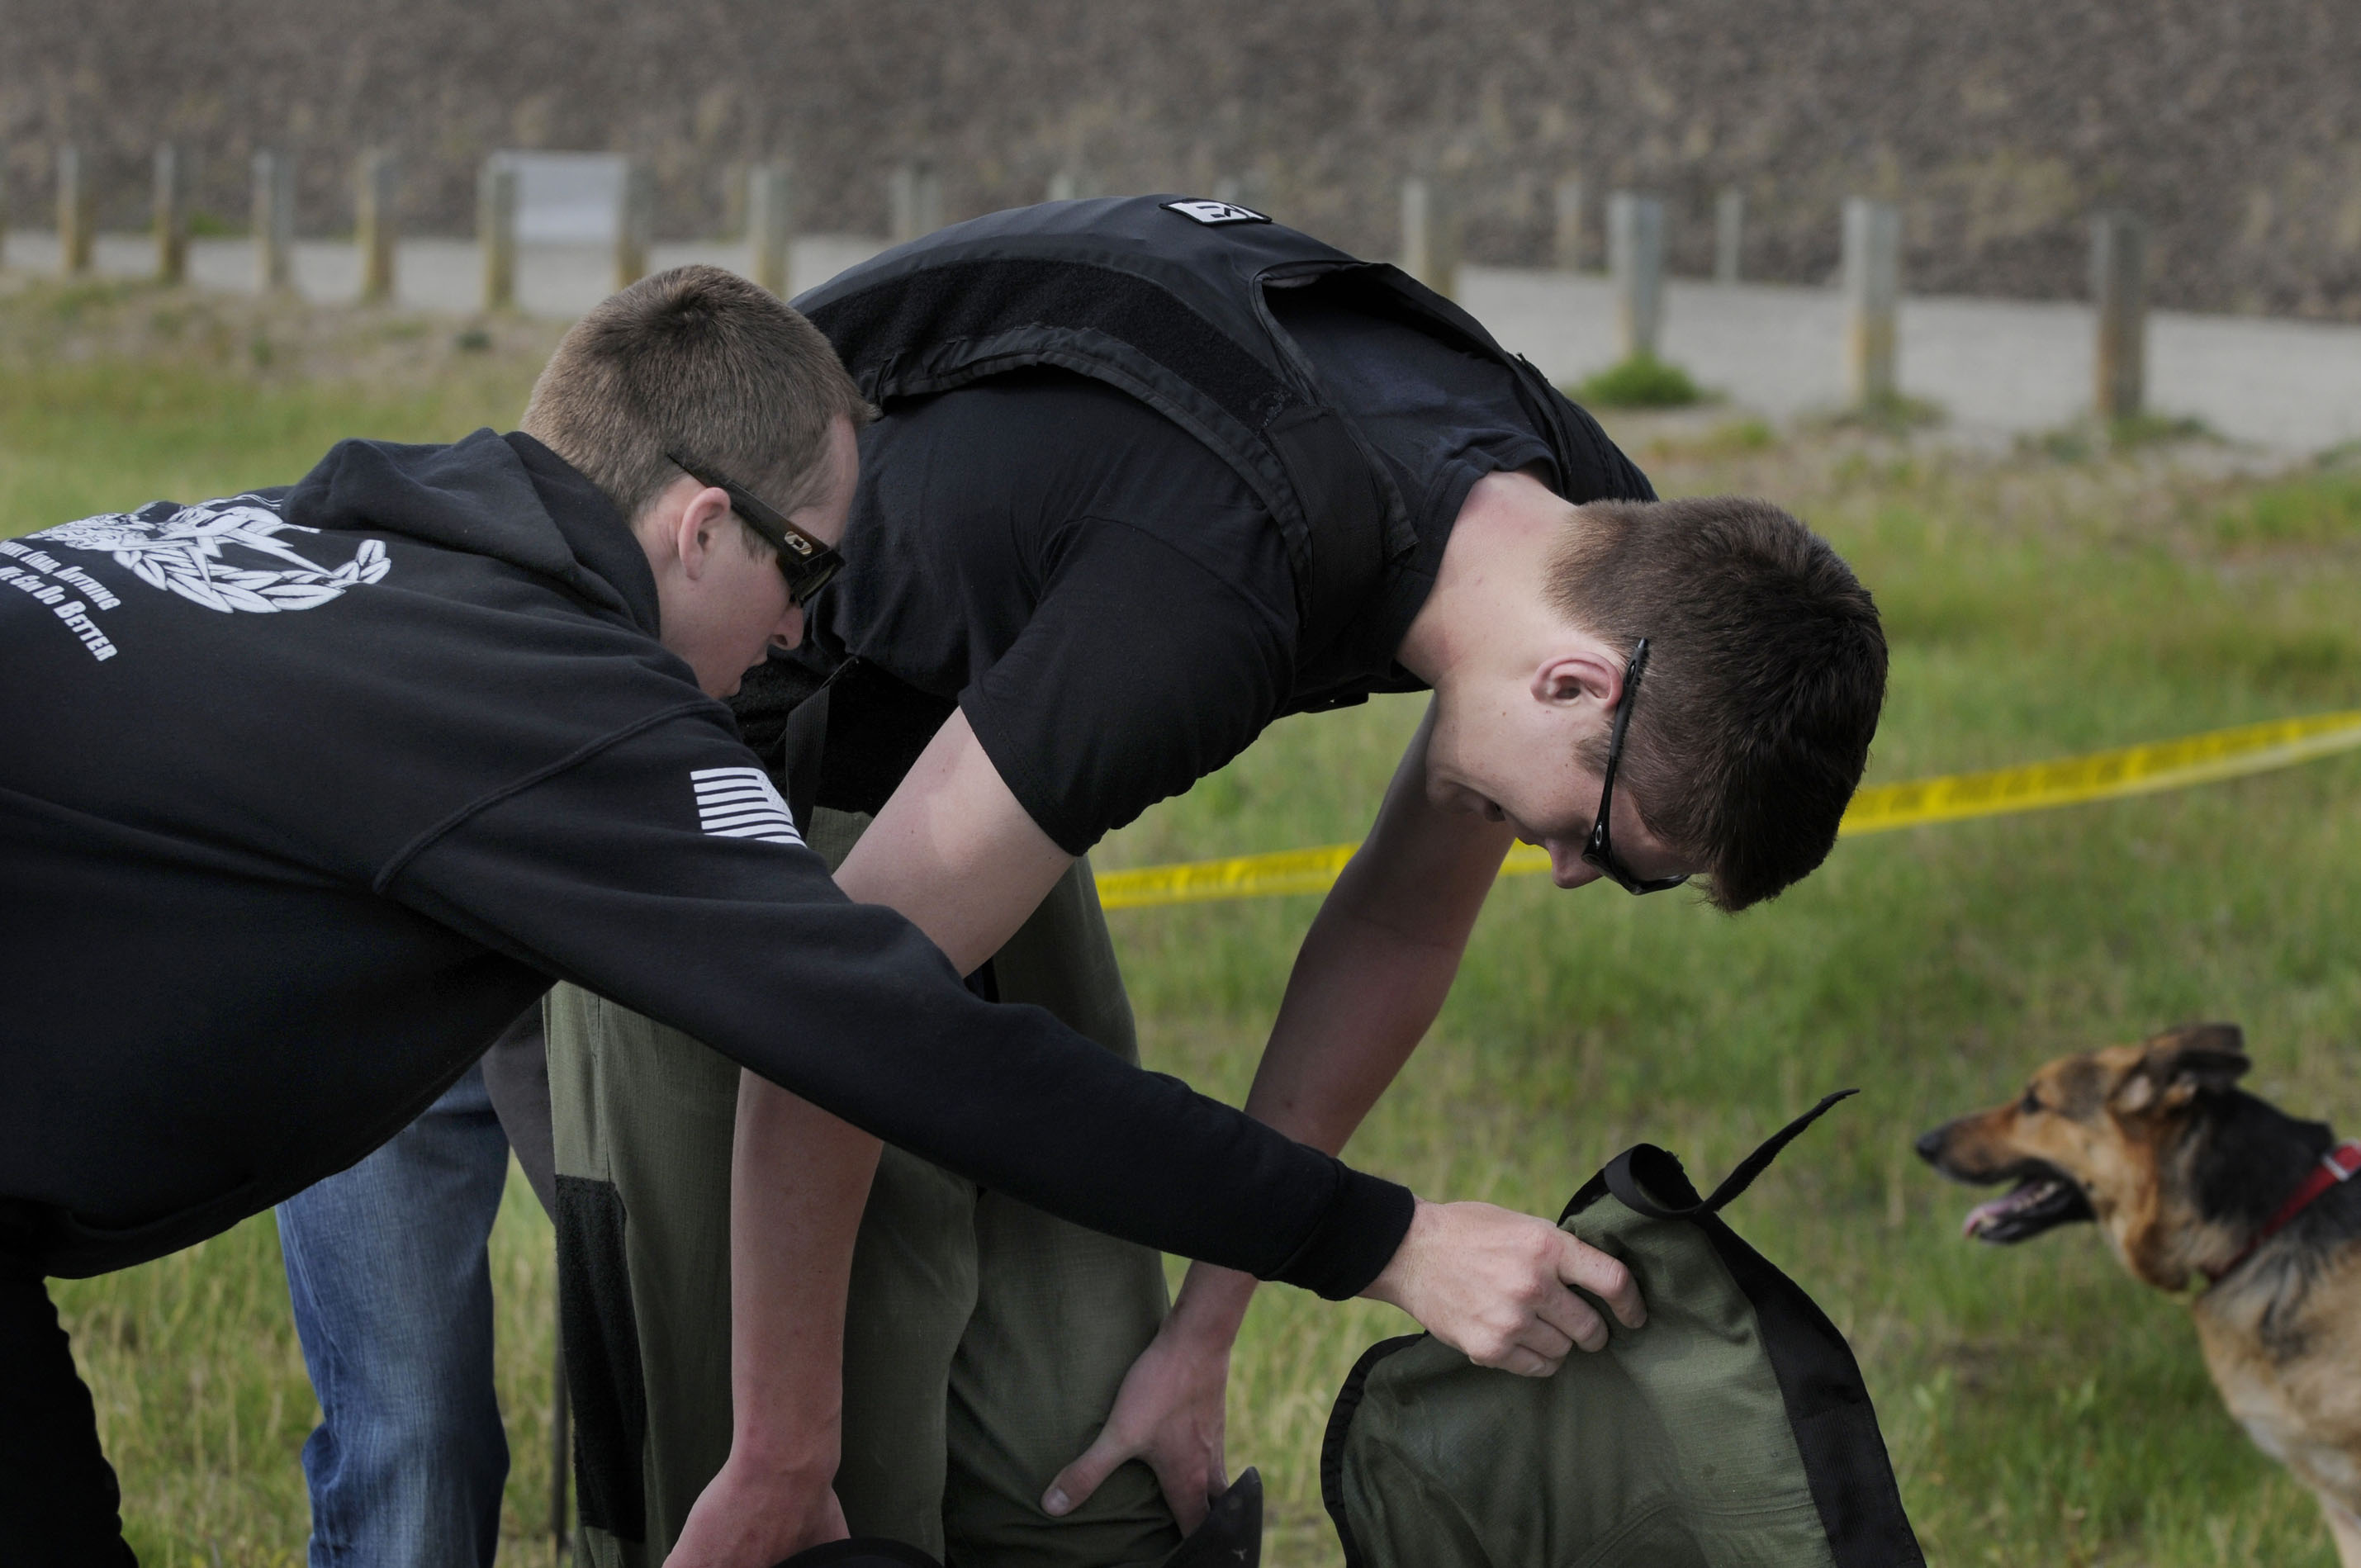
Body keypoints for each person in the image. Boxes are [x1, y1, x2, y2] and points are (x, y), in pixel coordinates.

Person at [0, 264, 1630, 1563]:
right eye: (806, 571)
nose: (805, 635)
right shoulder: (569, 716)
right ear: (700, 525)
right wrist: (1385, 1236)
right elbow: (906, 1041)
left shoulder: (310, 529)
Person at [541, 203, 1889, 1568]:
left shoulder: (1582, 540)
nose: (1560, 871)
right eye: (1600, 841)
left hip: (966, 757)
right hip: (707, 773)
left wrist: (1205, 1331)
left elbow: (1404, 918)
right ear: (1574, 685)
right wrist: (782, 1451)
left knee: (1085, 1486)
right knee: (818, 1513)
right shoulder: (1216, 575)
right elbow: (826, 1020)